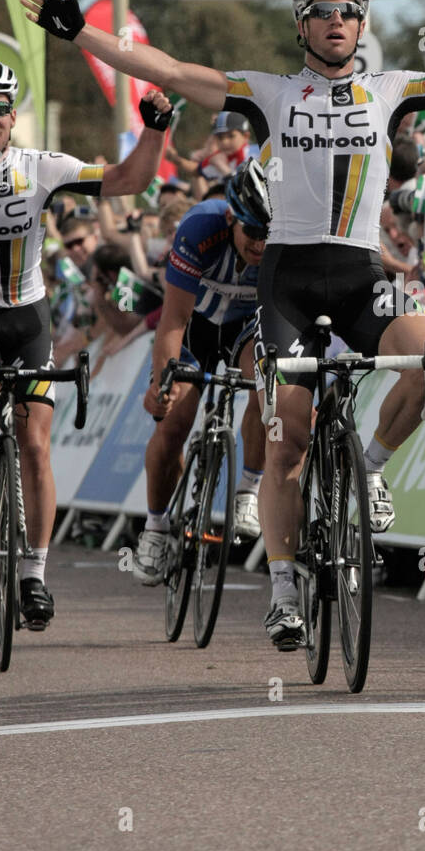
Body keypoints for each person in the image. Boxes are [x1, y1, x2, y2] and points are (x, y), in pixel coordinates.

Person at [21, 0, 425, 645]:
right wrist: (80, 36)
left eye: (348, 10)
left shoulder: (392, 88)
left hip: (364, 272)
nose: (336, 20)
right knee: (287, 440)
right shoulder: (270, 92)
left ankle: (369, 469)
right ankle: (282, 591)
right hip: (289, 282)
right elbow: (171, 69)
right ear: (302, 24)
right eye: (323, 10)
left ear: (361, 23)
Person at [0, 61, 170, 629]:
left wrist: (154, 131)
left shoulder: (40, 168)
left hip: (27, 318)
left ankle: (34, 574)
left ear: (12, 118)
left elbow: (128, 182)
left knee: (36, 445)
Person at [132, 160, 270, 584]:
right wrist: (162, 381)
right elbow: (172, 320)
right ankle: (154, 528)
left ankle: (248, 488)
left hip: (248, 327)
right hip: (196, 327)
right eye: (252, 233)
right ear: (232, 218)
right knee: (173, 424)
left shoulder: (283, 242)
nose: (261, 245)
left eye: (270, 235)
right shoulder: (199, 229)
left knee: (269, 386)